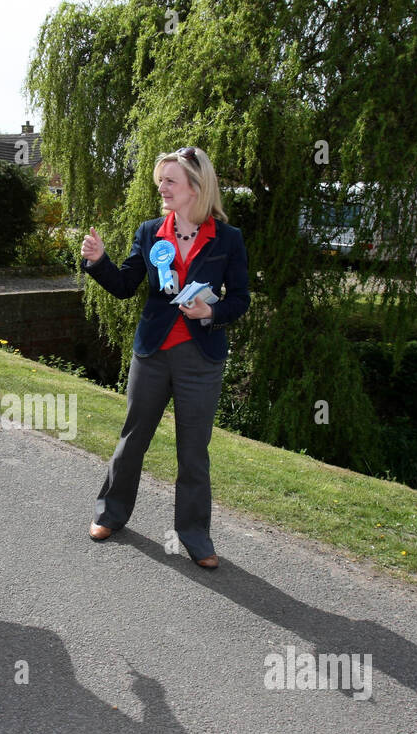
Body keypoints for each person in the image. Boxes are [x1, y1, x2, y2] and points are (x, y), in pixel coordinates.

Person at [80, 146, 250, 568]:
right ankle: (110, 514)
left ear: (196, 186)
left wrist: (211, 310)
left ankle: (194, 536)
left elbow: (241, 299)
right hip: (153, 354)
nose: (162, 187)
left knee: (193, 451)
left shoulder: (228, 239)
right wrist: (99, 262)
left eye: (170, 180)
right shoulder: (151, 230)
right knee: (132, 438)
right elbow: (124, 285)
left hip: (201, 359)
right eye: (161, 180)